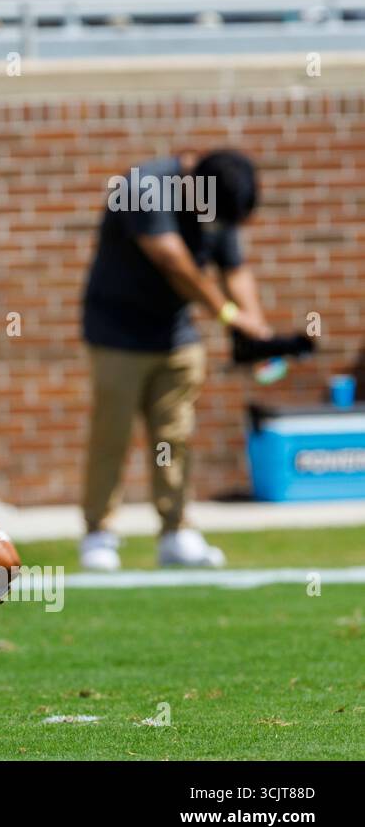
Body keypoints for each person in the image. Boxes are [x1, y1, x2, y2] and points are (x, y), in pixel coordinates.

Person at [79, 150, 272, 571]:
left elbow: (234, 268)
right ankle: (99, 533)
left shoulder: (220, 199)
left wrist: (254, 324)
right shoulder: (145, 188)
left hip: (177, 336)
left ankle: (176, 530)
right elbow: (171, 259)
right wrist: (226, 314)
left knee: (174, 435)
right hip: (118, 333)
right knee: (112, 434)